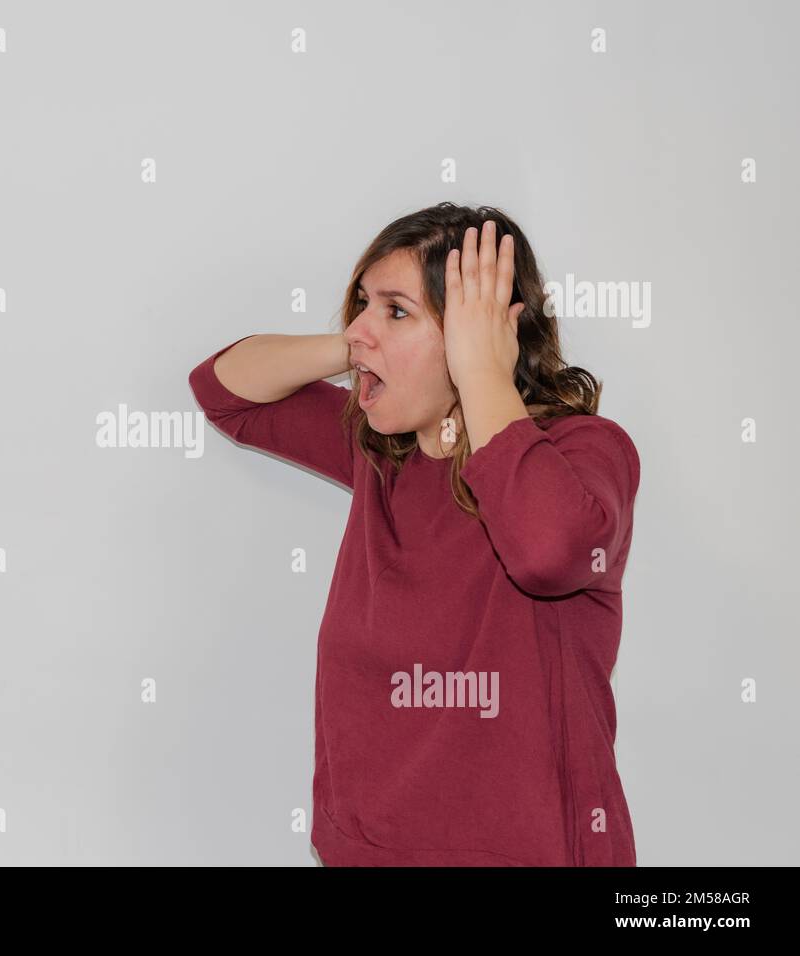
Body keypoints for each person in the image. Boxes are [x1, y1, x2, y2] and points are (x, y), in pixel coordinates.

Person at [188, 203, 640, 866]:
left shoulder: (585, 453)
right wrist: (361, 346)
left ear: (482, 335)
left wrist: (481, 374)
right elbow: (224, 389)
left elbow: (547, 554)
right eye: (362, 304)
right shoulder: (383, 449)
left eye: (397, 310)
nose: (361, 327)